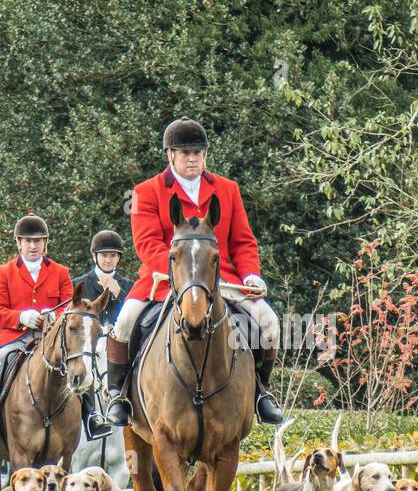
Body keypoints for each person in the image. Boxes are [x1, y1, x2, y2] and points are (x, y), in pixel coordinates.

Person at [104, 118, 284, 427]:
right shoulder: (146, 192)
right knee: (124, 322)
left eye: (198, 153)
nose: (192, 159)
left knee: (269, 322)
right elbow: (146, 244)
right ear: (169, 155)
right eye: (185, 153)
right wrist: (183, 277)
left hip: (222, 281)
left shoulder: (227, 190)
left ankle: (261, 393)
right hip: (163, 282)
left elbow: (242, 242)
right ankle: (118, 395)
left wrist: (251, 275)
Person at [0, 214, 75, 437]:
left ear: (45, 244)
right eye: (28, 241)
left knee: (77, 360)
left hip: (51, 338)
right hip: (14, 337)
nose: (33, 245)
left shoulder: (61, 272)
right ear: (19, 243)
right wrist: (20, 317)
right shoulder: (4, 272)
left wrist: (53, 317)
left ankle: (91, 415)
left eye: (38, 241)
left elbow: (69, 306)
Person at [71, 229, 133, 329]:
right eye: (104, 255)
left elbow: (134, 316)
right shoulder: (77, 285)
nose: (108, 260)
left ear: (118, 257)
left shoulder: (130, 286)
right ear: (94, 256)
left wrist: (118, 292)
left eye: (113, 255)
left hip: (119, 343)